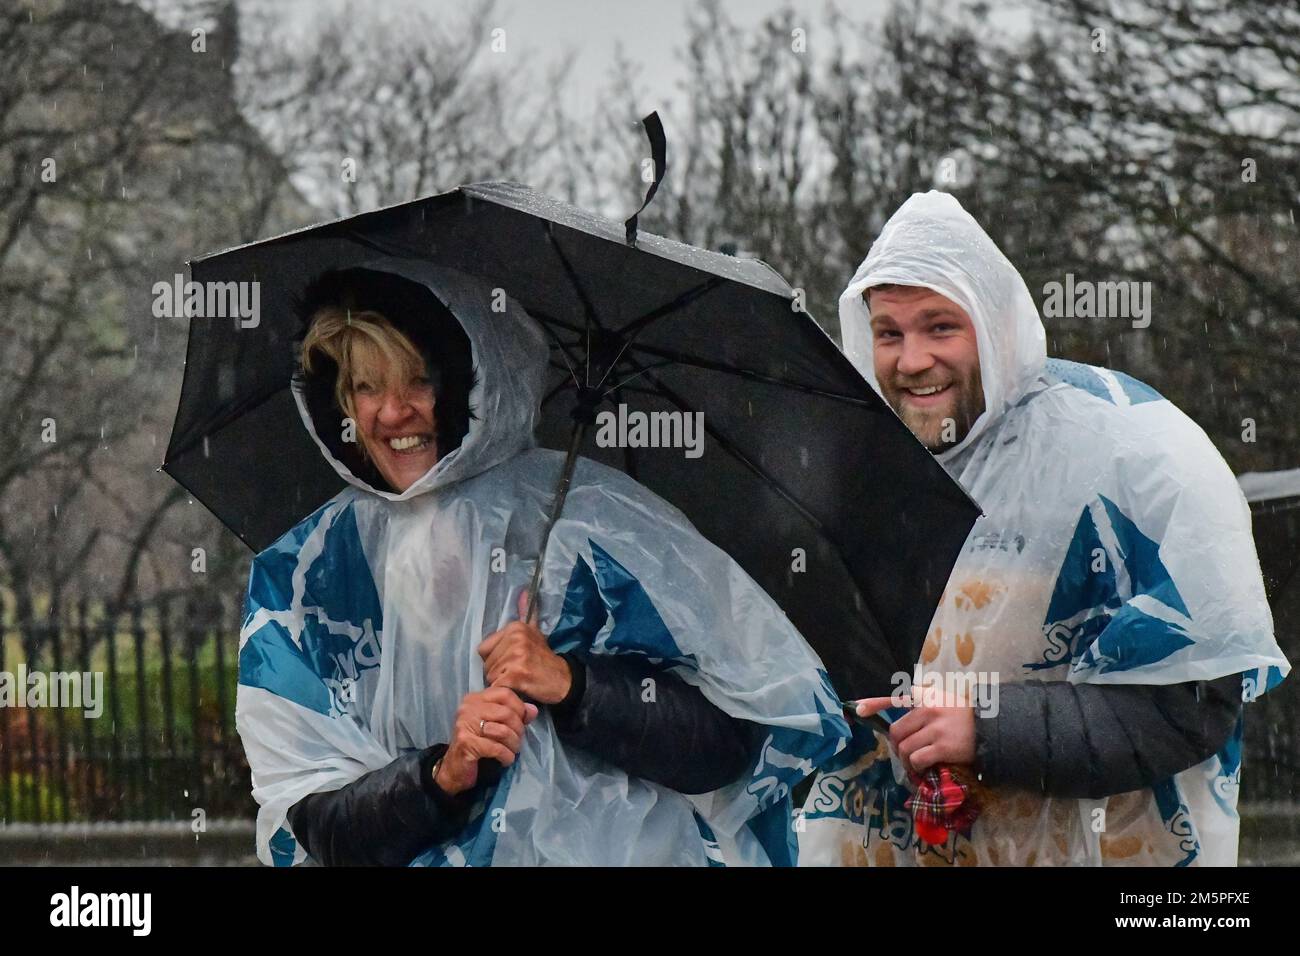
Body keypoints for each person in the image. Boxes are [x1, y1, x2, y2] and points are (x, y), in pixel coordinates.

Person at [235, 259, 849, 867]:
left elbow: (722, 747)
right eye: (365, 387)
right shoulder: (306, 576)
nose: (393, 413)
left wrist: (572, 684)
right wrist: (445, 775)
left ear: (470, 384)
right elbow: (321, 828)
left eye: (418, 380)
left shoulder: (596, 522)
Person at [799, 190, 1290, 866]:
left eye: (940, 326)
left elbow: (1194, 704)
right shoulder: (854, 479)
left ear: (997, 328)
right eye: (889, 332)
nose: (911, 360)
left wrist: (986, 730)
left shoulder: (1129, 454)